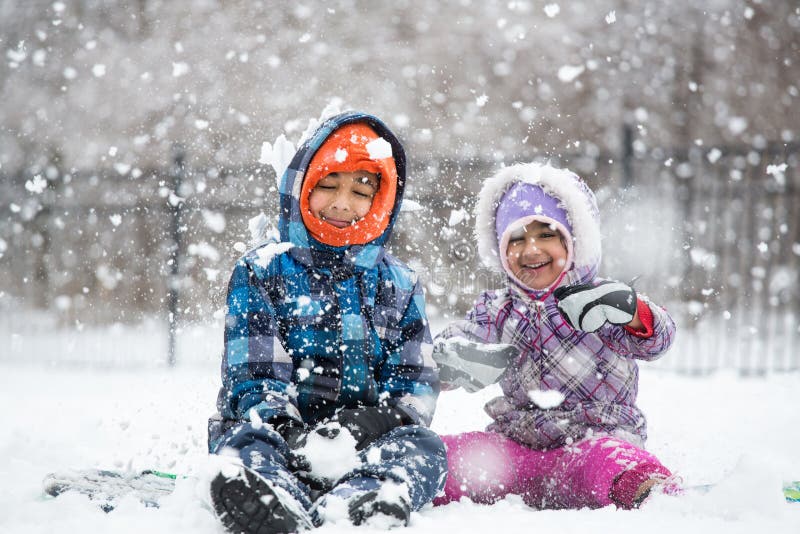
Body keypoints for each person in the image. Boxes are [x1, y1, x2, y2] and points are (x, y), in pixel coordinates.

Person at [207, 111, 446, 533]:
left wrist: (376, 422)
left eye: (360, 190)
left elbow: (415, 381)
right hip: (279, 435)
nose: (342, 203)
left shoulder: (400, 283)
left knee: (425, 448)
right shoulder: (263, 270)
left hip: (362, 446)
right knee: (245, 441)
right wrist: (289, 430)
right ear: (302, 188)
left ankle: (363, 500)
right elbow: (254, 373)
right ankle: (272, 498)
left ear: (382, 199)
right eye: (328, 185)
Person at [432, 162, 678, 510]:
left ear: (575, 240)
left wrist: (635, 312)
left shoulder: (599, 302)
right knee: (446, 454)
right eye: (516, 239)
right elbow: (460, 340)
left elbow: (658, 341)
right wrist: (453, 359)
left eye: (546, 234)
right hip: (515, 453)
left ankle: (650, 491)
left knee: (612, 461)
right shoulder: (496, 309)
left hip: (592, 444)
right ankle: (394, 479)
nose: (531, 249)